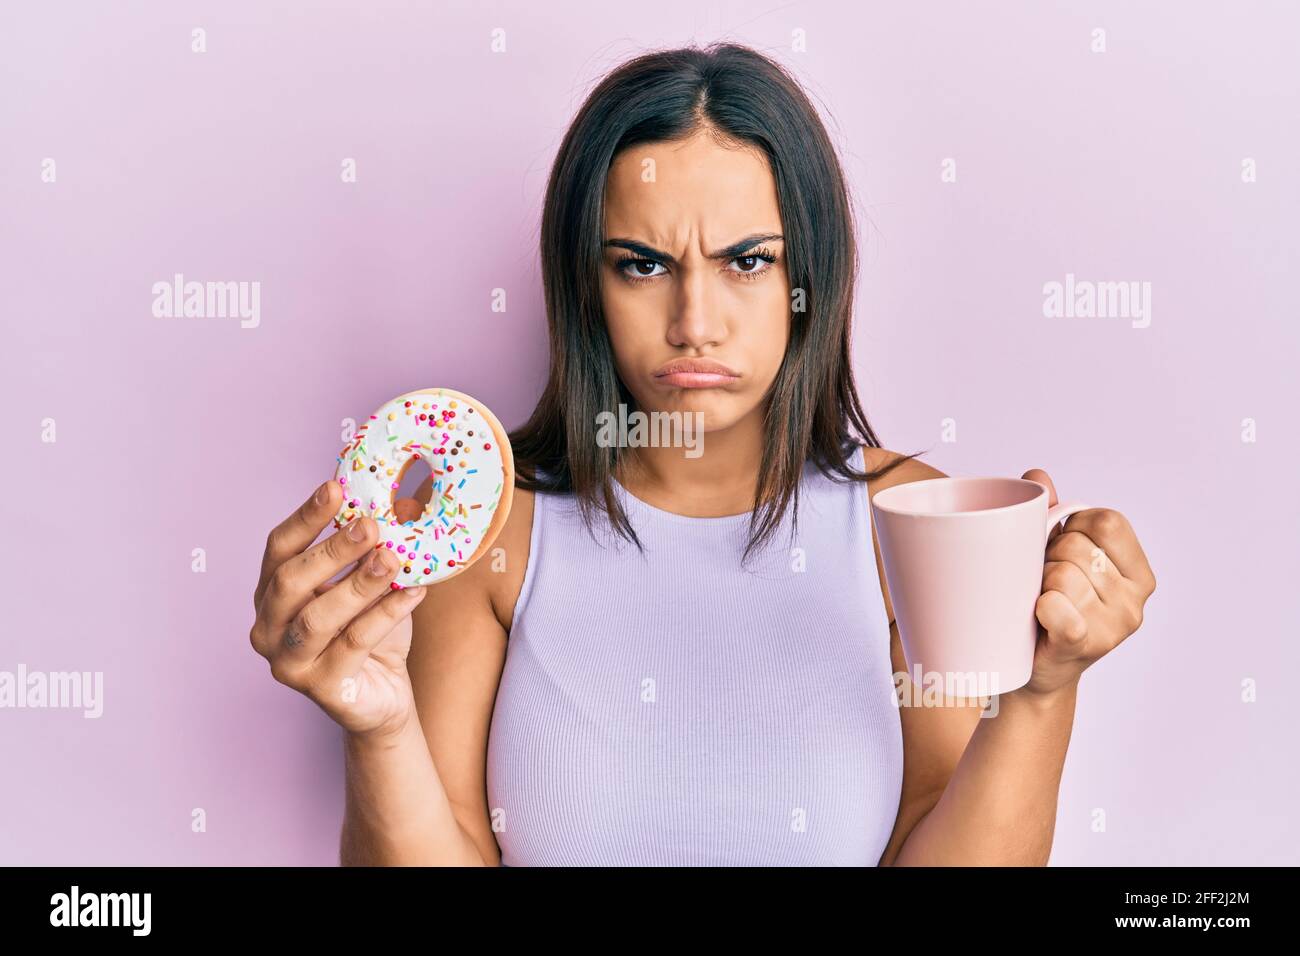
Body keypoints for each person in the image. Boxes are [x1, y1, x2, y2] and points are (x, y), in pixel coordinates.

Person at [248, 42, 1156, 866]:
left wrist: (1042, 692)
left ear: (810, 276)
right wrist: (380, 732)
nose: (694, 323)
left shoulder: (905, 525)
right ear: (584, 282)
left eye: (747, 262)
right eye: (641, 264)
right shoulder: (494, 532)